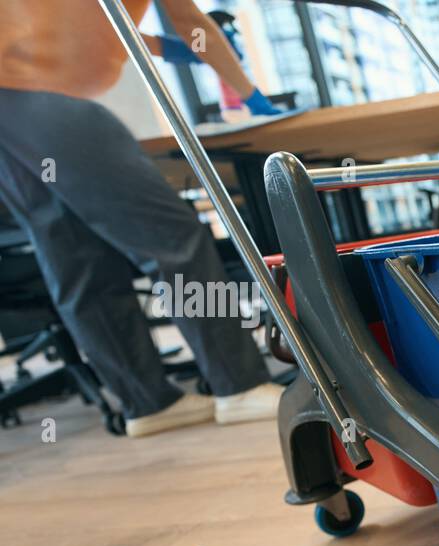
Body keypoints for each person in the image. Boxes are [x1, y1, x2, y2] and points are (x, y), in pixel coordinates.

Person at [0, 0, 284, 437]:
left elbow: (81, 24)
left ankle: (148, 402)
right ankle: (240, 384)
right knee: (172, 237)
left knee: (76, 254)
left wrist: (163, 46)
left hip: (10, 102)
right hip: (38, 92)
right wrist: (248, 94)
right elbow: (193, 26)